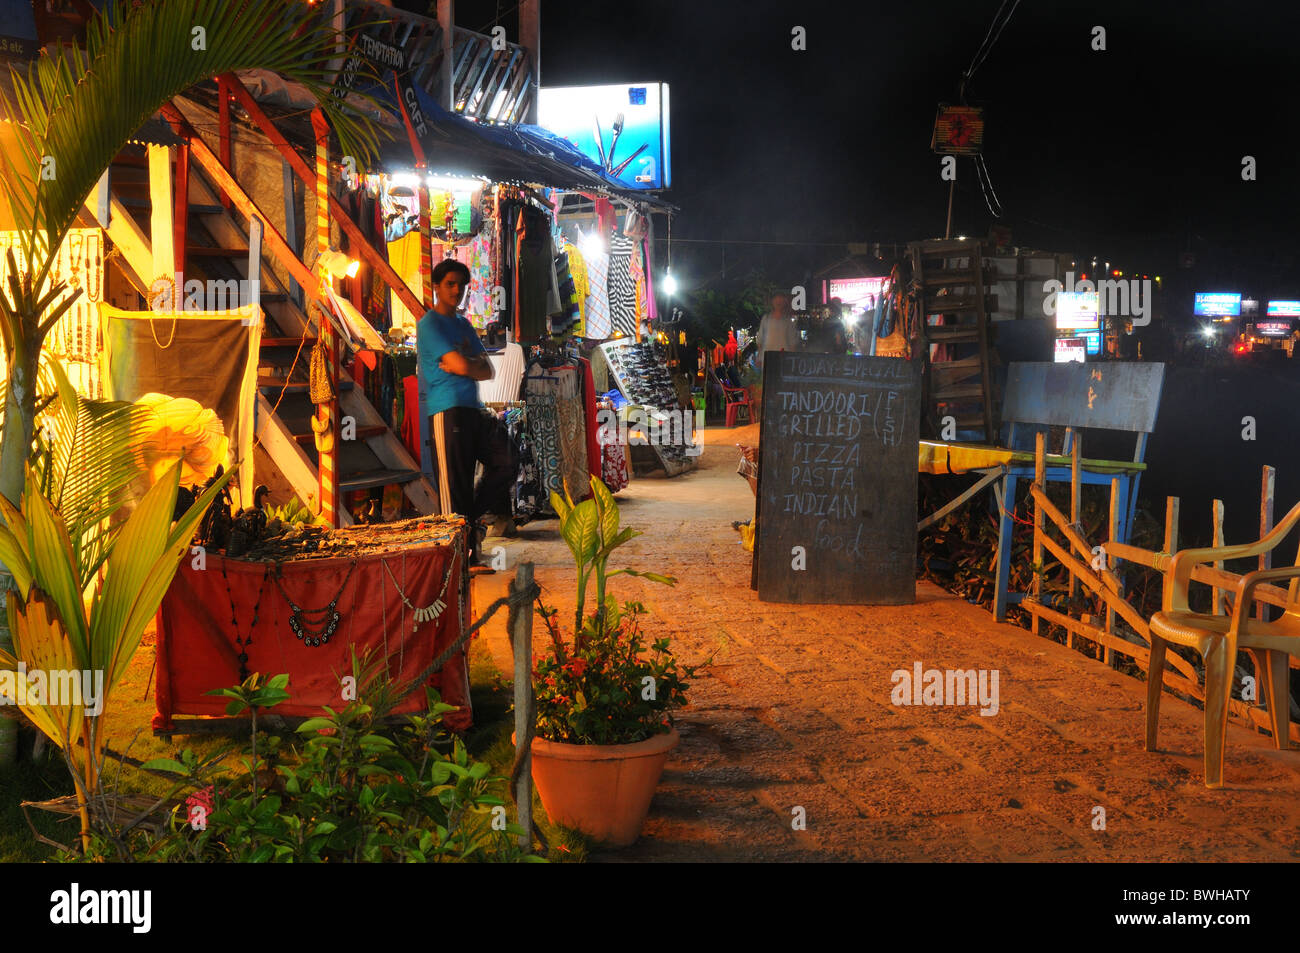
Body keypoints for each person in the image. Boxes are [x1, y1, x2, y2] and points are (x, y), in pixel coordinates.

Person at [417, 259, 515, 569]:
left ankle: (470, 523)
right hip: (447, 412)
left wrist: (466, 365)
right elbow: (465, 366)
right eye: (450, 283)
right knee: (454, 490)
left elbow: (487, 370)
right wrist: (466, 365)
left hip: (473, 410)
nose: (457, 289)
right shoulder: (429, 324)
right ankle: (460, 561)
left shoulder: (462, 325)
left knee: (507, 461)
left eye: (461, 284)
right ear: (436, 286)